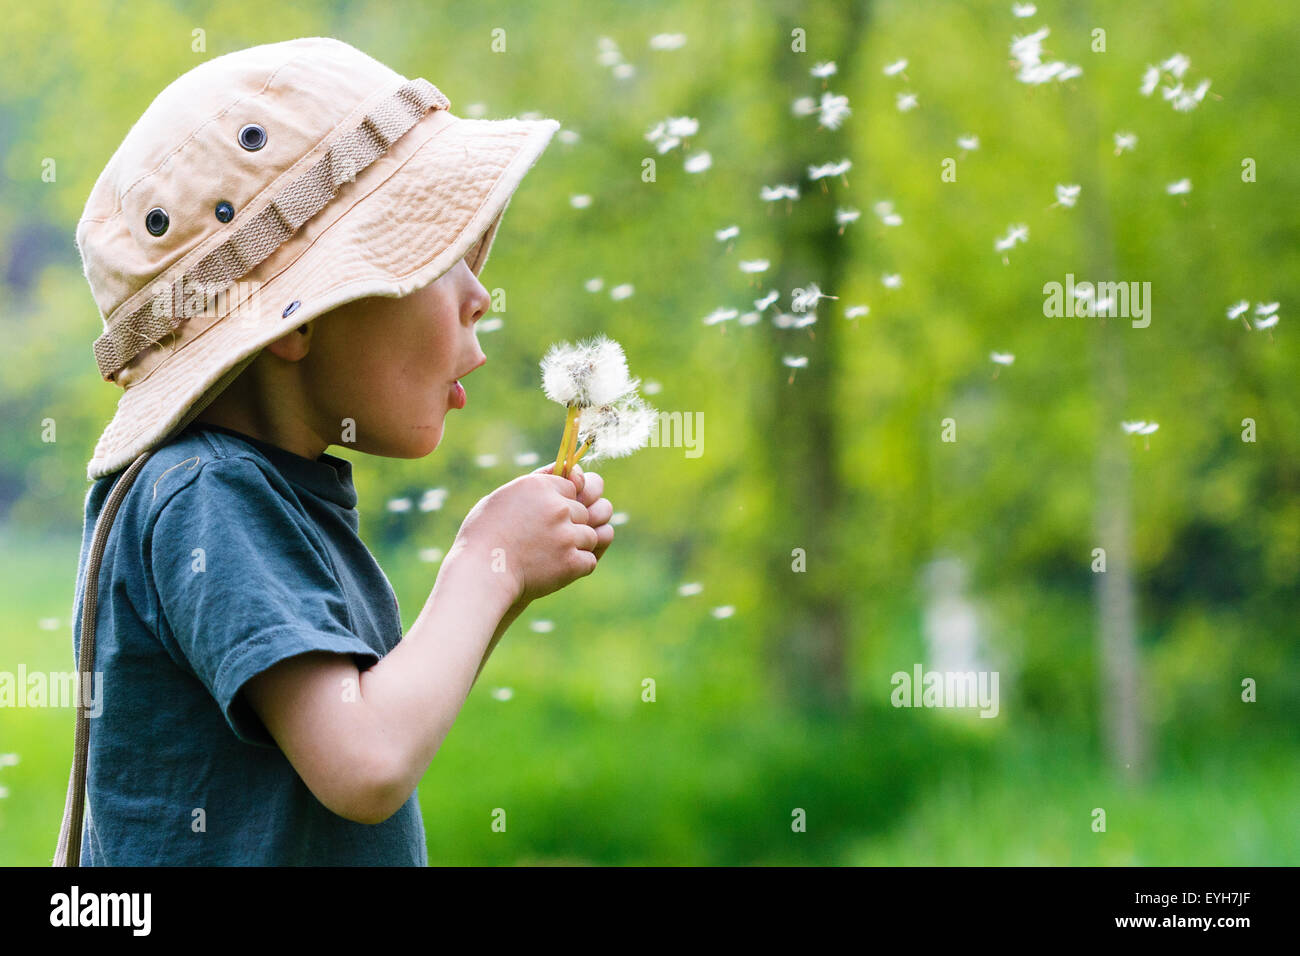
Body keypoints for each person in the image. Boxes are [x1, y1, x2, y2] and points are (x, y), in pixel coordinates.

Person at [64, 36, 611, 865]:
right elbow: (364, 765)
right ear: (300, 319)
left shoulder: (257, 488)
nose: (480, 294)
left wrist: (508, 586)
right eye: (438, 257)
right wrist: (484, 561)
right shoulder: (208, 494)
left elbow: (374, 716)